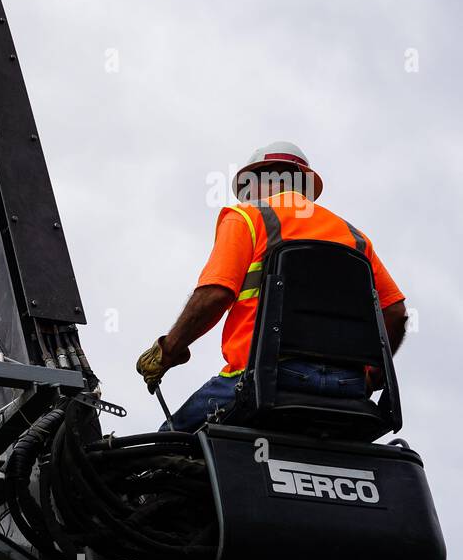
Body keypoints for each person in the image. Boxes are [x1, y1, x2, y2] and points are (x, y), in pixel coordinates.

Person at [136, 141, 409, 432]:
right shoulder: (355, 237)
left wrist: (167, 350)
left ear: (259, 180)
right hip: (347, 389)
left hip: (267, 380)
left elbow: (215, 294)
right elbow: (395, 313)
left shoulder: (247, 217)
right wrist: (371, 378)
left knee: (167, 442)